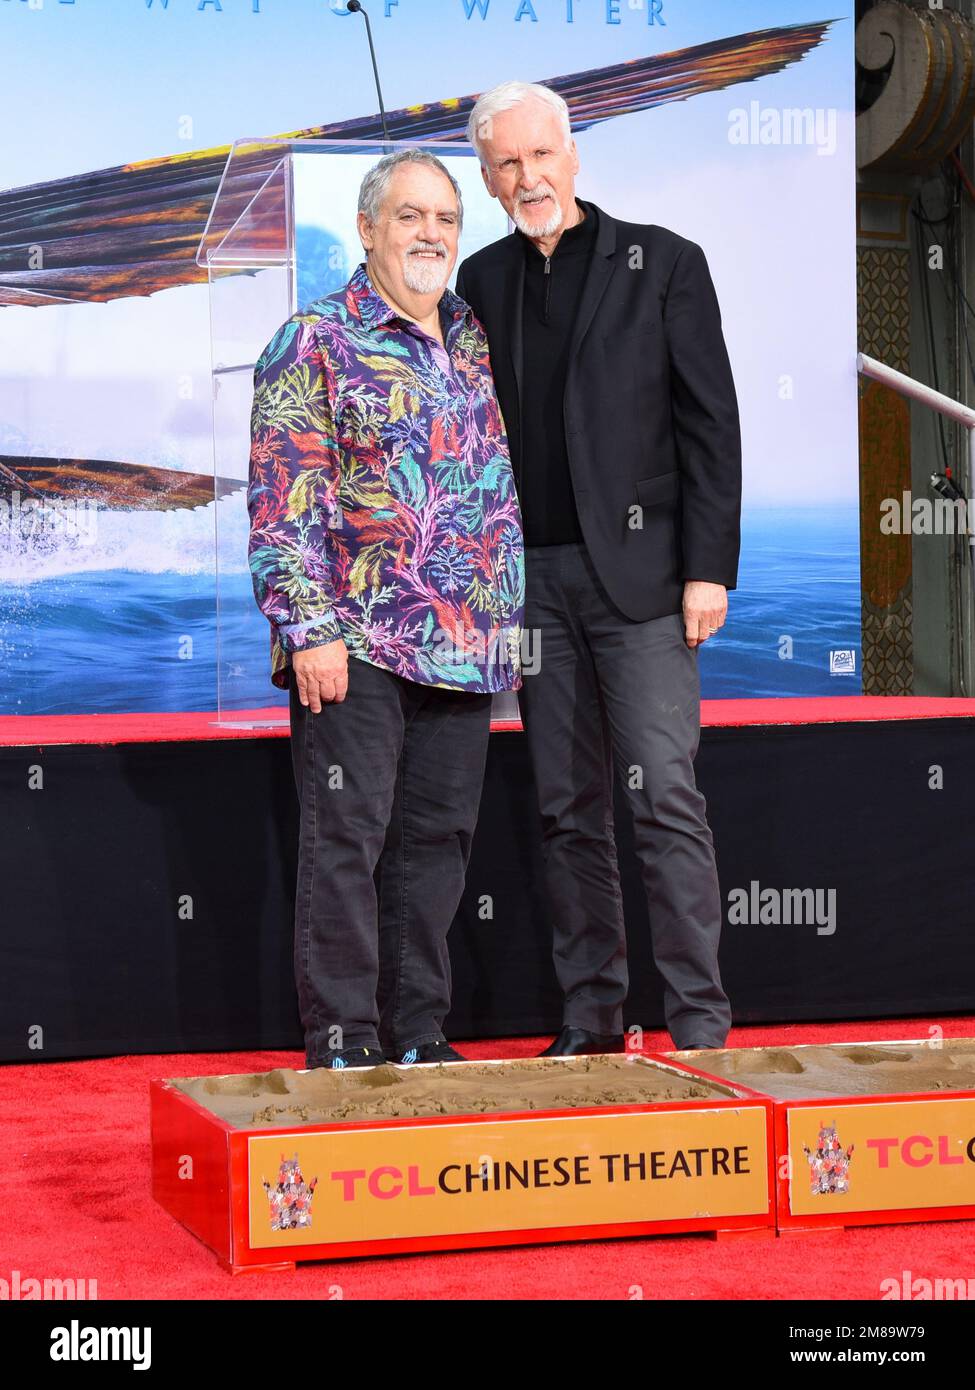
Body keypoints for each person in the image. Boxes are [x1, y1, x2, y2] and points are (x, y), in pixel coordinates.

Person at [456, 81, 741, 1055]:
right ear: (489, 180)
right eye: (508, 164)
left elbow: (710, 426)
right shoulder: (480, 284)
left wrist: (710, 569)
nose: (529, 177)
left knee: (662, 795)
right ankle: (591, 1016)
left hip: (648, 586)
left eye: (542, 156)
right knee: (566, 808)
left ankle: (700, 1025)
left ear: (572, 155)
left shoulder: (665, 263)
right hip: (532, 588)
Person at [247, 148, 524, 1069]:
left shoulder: (472, 338)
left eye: (445, 219)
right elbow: (284, 501)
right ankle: (344, 1045)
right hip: (355, 642)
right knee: (347, 846)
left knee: (434, 851)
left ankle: (415, 1036)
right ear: (367, 229)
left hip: (464, 645)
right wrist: (308, 629)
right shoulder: (312, 338)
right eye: (409, 216)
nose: (430, 234)